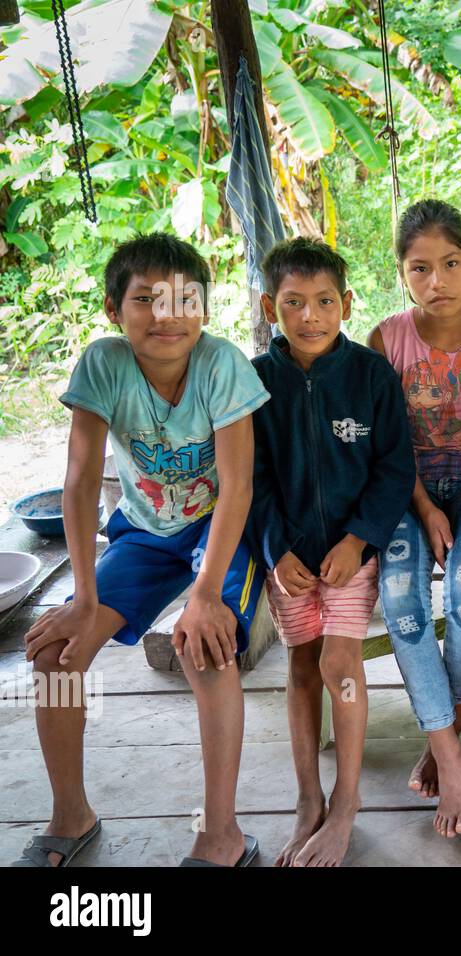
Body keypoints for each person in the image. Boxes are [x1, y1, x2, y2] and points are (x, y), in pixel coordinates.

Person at [15, 233, 270, 867]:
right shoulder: (103, 366)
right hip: (147, 528)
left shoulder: (222, 365)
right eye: (146, 300)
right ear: (113, 309)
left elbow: (238, 487)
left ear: (205, 309)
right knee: (53, 653)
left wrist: (207, 593)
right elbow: (78, 483)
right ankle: (70, 815)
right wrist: (83, 597)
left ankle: (222, 836)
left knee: (206, 650)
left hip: (221, 526)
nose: (167, 315)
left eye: (185, 299)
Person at [249, 238, 414, 866]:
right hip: (287, 560)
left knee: (342, 666)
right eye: (294, 303)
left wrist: (358, 538)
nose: (310, 316)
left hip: (351, 553)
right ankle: (307, 800)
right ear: (271, 306)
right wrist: (272, 545)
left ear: (346, 303)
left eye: (324, 302)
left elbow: (395, 468)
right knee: (300, 667)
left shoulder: (371, 376)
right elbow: (250, 476)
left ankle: (346, 802)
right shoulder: (256, 382)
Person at [368, 200, 461, 838]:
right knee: (401, 597)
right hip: (404, 488)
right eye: (419, 268)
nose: (437, 281)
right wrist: (420, 506)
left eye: (450, 264)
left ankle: (447, 718)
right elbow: (384, 443)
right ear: (402, 275)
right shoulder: (386, 339)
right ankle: (450, 755)